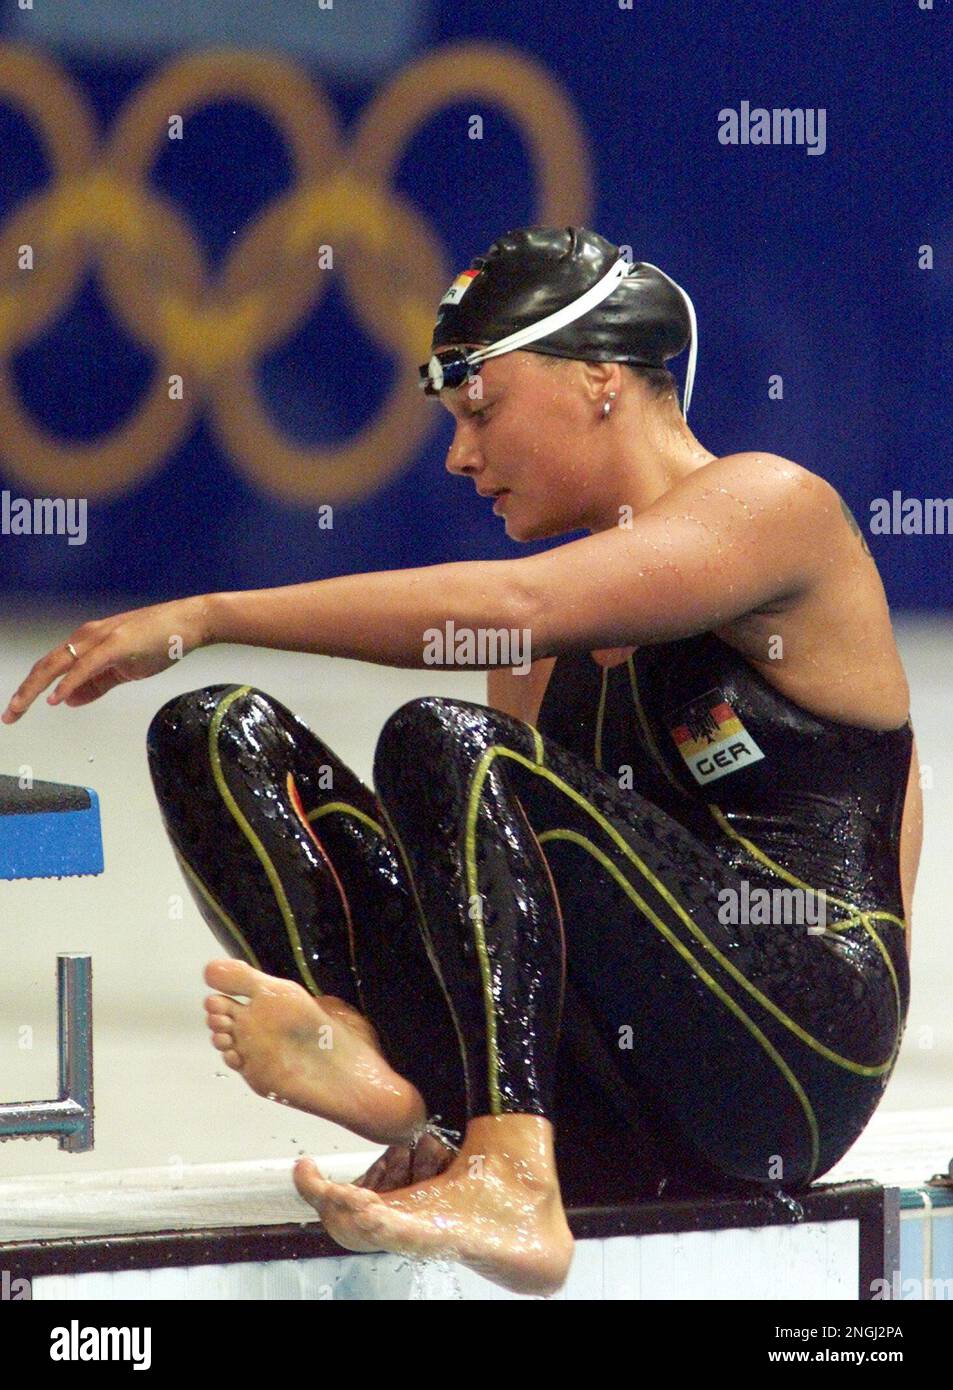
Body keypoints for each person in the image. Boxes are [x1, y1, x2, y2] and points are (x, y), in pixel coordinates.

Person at [1, 226, 922, 1299]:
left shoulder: (775, 509)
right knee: (212, 732)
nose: (457, 455)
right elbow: (505, 910)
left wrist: (210, 609)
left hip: (793, 1060)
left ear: (598, 380)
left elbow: (515, 604)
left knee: (446, 745)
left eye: (480, 411)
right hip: (621, 1099)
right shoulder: (536, 661)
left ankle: (511, 1174)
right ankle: (416, 1105)